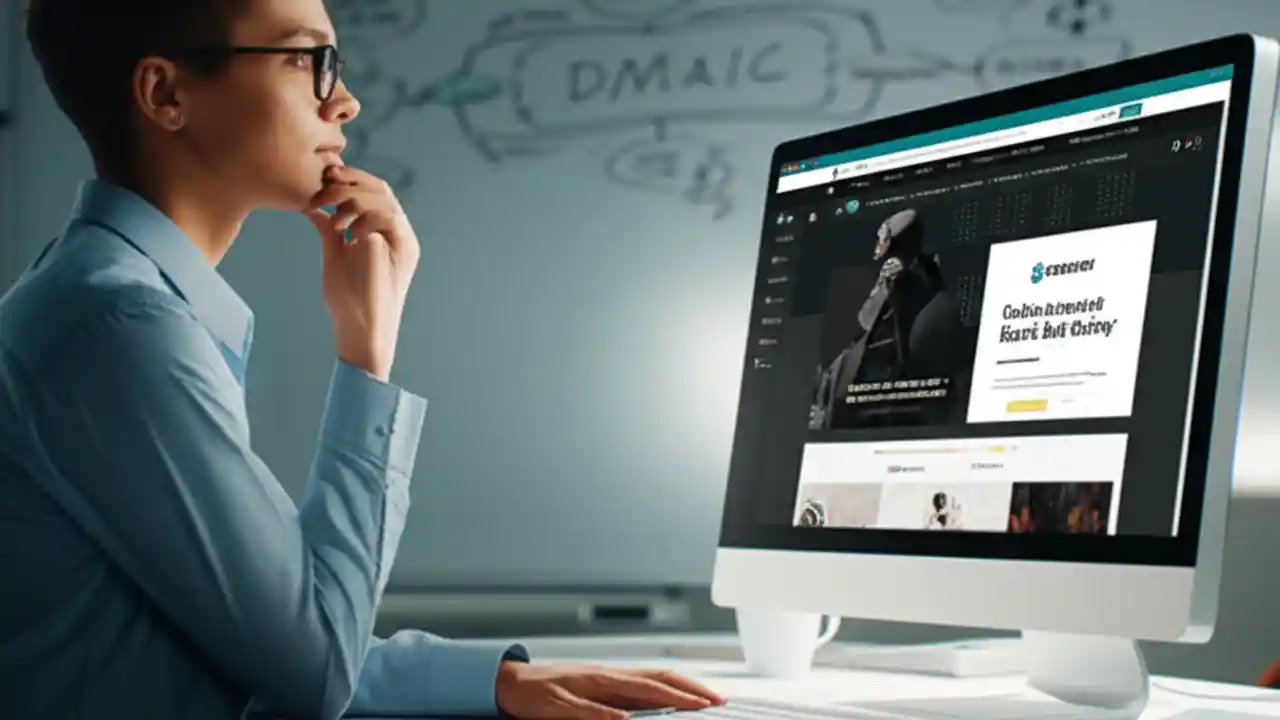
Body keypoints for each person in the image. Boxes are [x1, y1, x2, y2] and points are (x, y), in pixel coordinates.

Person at [0, 2, 726, 719]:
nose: (343, 101)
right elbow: (312, 668)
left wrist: (490, 682)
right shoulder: (120, 329)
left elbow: (247, 635)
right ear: (167, 94)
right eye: (303, 60)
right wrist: (366, 354)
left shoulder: (106, 301)